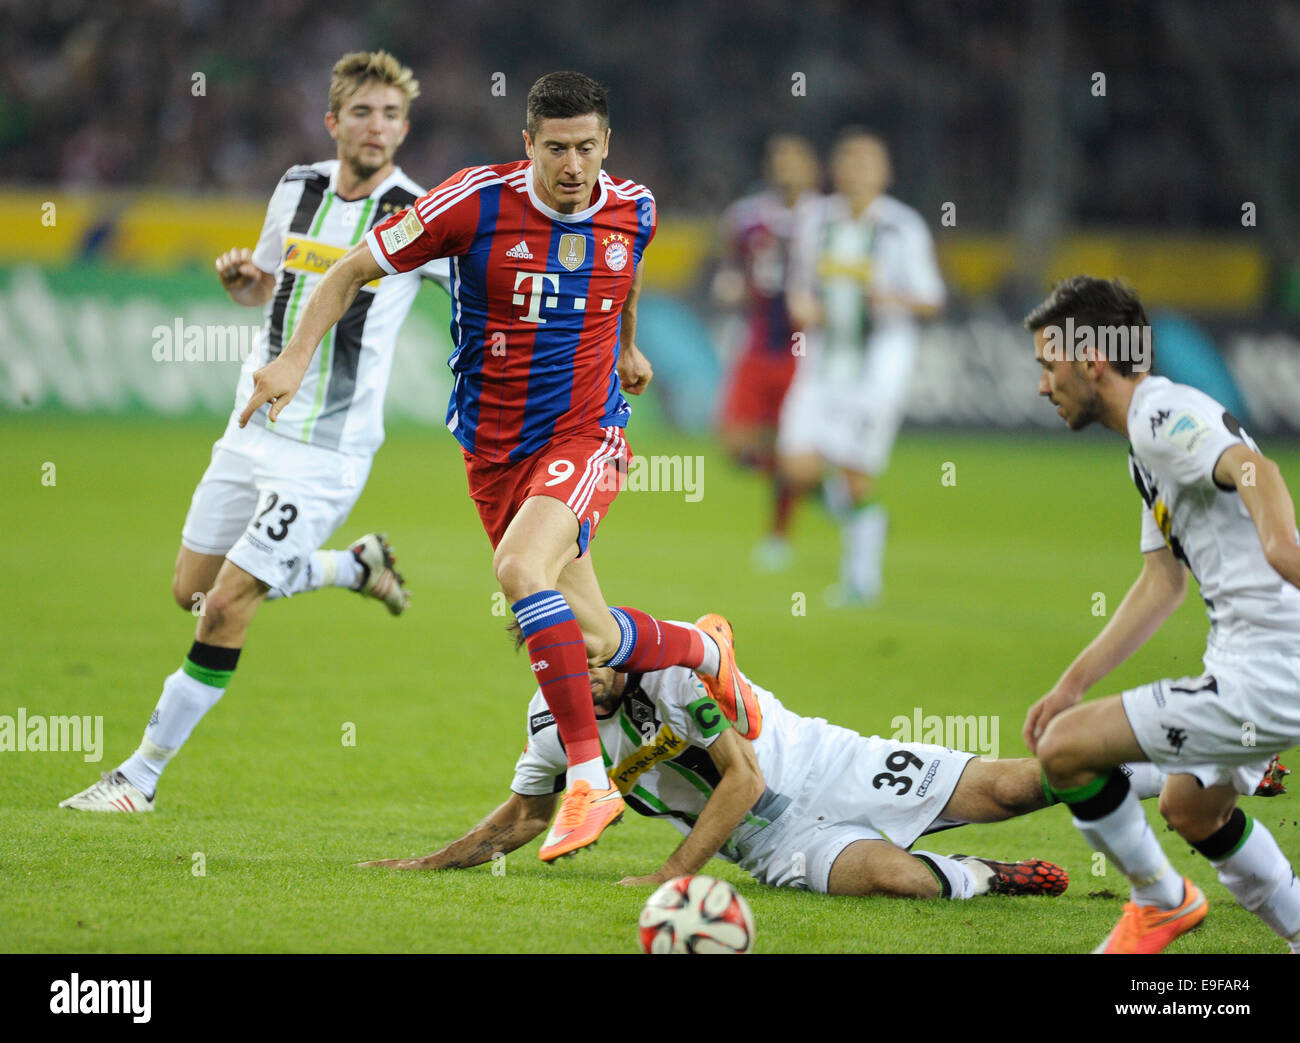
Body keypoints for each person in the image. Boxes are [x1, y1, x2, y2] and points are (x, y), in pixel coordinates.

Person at [236, 71, 761, 862]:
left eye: (587, 148)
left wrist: (624, 348)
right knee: (590, 635)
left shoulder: (635, 207)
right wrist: (289, 361)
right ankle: (698, 648)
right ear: (529, 145)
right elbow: (347, 272)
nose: (573, 166)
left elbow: (628, 270)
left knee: (521, 571)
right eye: (556, 149)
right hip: (493, 455)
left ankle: (589, 780)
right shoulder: (472, 203)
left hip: (586, 435)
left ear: (606, 145)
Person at [60, 50, 449, 813]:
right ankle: (352, 567)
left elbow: (486, 286)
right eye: (363, 112)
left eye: (392, 115)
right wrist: (248, 285)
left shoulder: (418, 214)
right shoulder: (297, 187)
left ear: (405, 128)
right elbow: (276, 286)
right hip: (251, 427)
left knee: (227, 606)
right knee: (192, 590)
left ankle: (139, 776)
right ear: (334, 121)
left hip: (325, 451)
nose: (378, 127)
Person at [363, 655, 1226, 899]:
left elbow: (737, 778)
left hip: (824, 761)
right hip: (771, 841)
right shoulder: (553, 724)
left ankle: (1195, 759)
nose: (578, 672)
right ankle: (990, 879)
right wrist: (428, 866)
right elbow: (522, 817)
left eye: (588, 653)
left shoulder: (673, 674)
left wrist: (671, 876)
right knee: (896, 881)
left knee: (1012, 787)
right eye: (557, 660)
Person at [1024, 274, 1300, 954]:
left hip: (1268, 667)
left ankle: (1159, 900)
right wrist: (1072, 682)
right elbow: (1161, 583)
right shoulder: (1144, 442)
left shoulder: (1157, 418)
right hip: (1245, 656)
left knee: (1065, 752)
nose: (1042, 386)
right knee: (1190, 807)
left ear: (1090, 359)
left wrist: (1281, 547)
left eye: (1047, 365)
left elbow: (1256, 472)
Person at [777, 129, 944, 604]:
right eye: (848, 162)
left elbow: (932, 299)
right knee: (795, 466)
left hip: (878, 365)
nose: (856, 172)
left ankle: (860, 581)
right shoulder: (814, 221)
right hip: (821, 361)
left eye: (867, 163)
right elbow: (798, 285)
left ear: (884, 173)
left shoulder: (902, 227)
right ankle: (868, 519)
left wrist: (889, 297)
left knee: (853, 469)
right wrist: (803, 305)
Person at [711, 134, 821, 571]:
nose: (787, 168)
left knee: (789, 440)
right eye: (780, 160)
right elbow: (731, 268)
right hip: (755, 344)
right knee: (734, 444)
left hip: (806, 351)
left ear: (813, 169)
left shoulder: (825, 219)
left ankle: (778, 538)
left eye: (796, 160)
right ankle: (810, 486)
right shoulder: (745, 217)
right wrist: (729, 284)